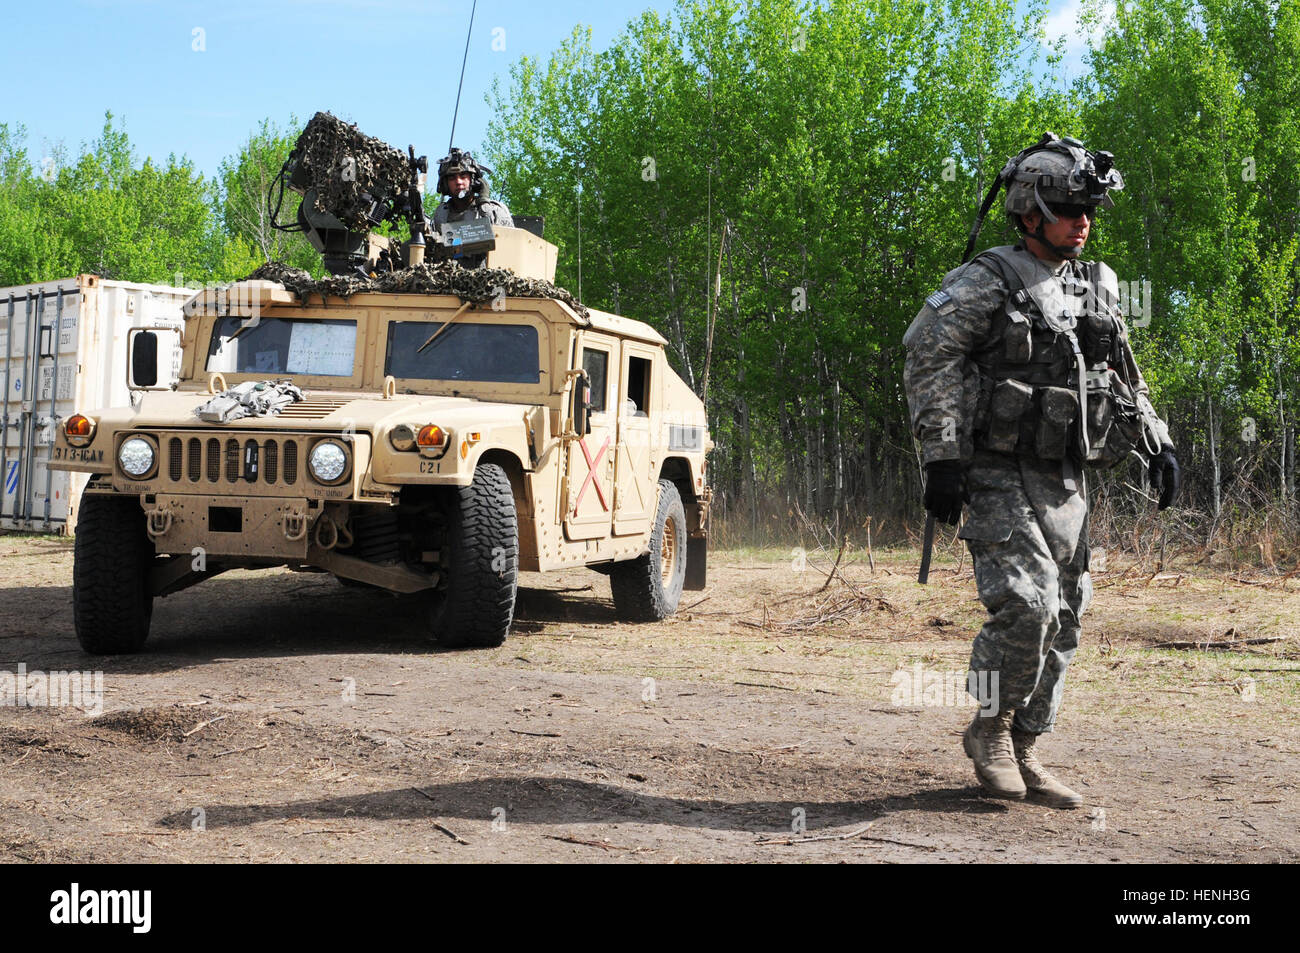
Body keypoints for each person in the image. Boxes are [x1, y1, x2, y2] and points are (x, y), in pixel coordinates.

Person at [902, 133, 1181, 809]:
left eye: (1089, 208)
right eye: (1067, 207)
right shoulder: (986, 280)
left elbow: (1122, 375)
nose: (1082, 220)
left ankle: (1027, 746)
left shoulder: (1097, 284)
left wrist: (1158, 441)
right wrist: (941, 456)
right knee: (1026, 607)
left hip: (1065, 479)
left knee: (1068, 614)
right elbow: (926, 354)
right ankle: (989, 729)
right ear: (1028, 212)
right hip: (996, 472)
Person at [431, 148, 514, 229]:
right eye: (452, 178)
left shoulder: (494, 210)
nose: (458, 182)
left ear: (474, 180)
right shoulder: (441, 214)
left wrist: (484, 203)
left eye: (463, 176)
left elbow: (504, 237)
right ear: (445, 184)